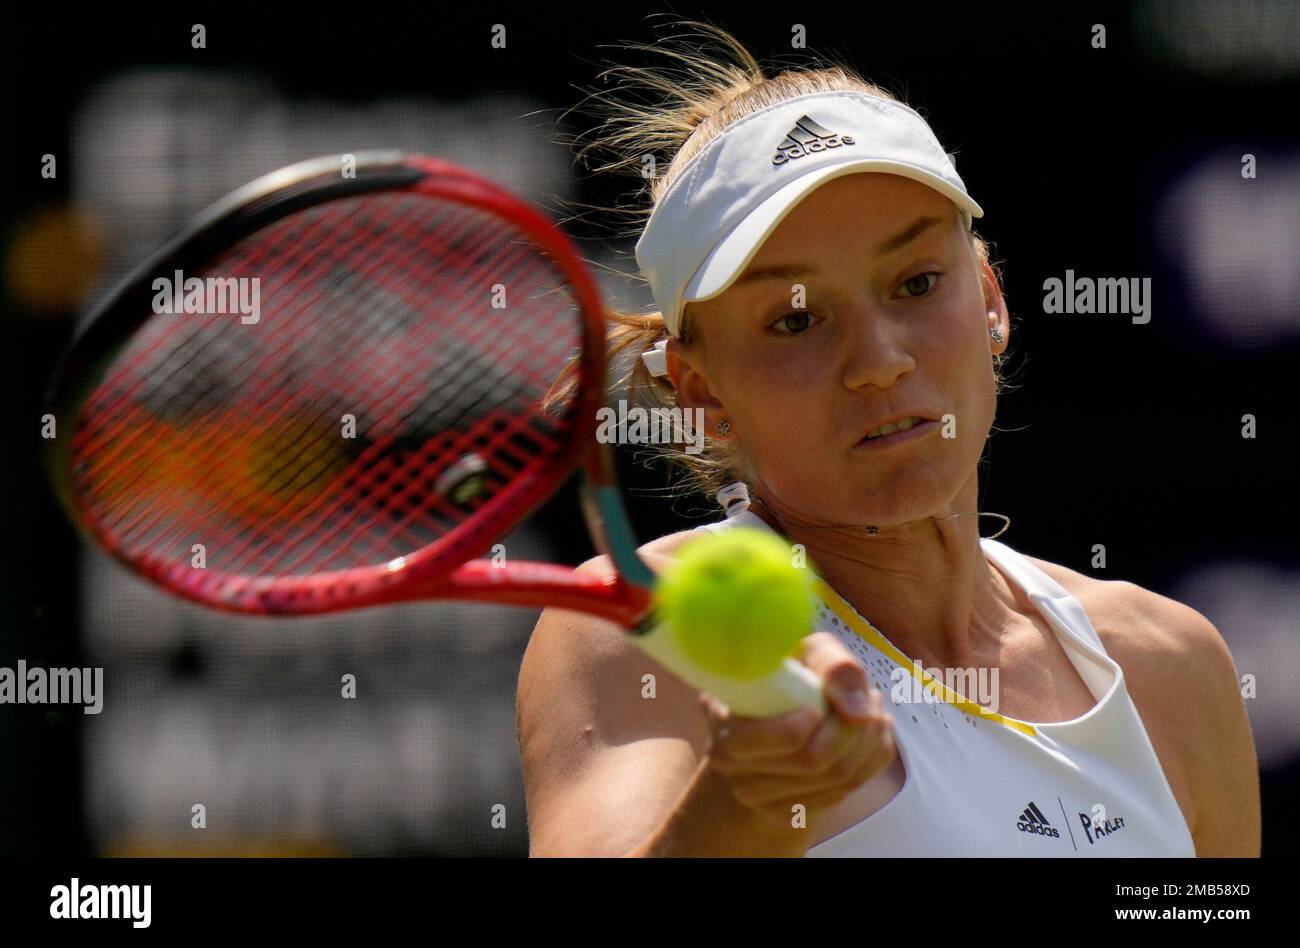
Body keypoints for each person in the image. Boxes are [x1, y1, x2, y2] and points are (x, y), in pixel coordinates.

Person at [516, 20, 1260, 857]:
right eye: (795, 320)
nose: (877, 361)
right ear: (700, 393)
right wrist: (743, 810)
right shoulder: (642, 629)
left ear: (989, 301)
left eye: (915, 283)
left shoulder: (1173, 664)